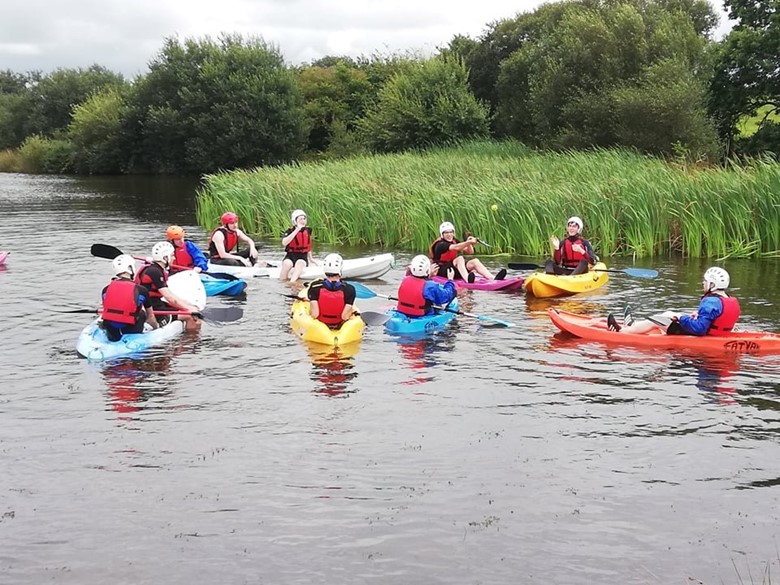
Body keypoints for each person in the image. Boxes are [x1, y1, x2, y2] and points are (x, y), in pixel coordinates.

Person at [608, 267, 740, 336]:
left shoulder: (710, 302)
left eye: (705, 281)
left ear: (712, 284)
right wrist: (695, 315)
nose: (703, 283)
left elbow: (699, 329)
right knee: (670, 313)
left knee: (657, 319)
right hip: (716, 333)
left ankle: (623, 331)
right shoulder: (728, 299)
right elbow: (717, 318)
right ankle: (633, 325)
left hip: (702, 335)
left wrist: (682, 318)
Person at [135, 241, 202, 331]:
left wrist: (188, 305)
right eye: (172, 255)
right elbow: (169, 297)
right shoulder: (155, 272)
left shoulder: (154, 269)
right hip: (154, 309)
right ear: (165, 257)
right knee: (193, 318)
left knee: (190, 311)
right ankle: (190, 343)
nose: (174, 258)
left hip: (156, 305)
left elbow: (171, 296)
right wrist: (189, 309)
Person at [100, 254, 159, 341]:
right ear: (130, 268)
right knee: (142, 313)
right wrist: (157, 328)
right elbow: (150, 316)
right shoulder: (141, 290)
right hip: (131, 329)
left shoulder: (105, 289)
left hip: (112, 330)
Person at [429, 221, 506, 283]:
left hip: (452, 269)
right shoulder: (440, 244)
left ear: (453, 232)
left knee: (475, 261)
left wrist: (469, 243)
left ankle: (493, 278)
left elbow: (470, 252)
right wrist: (468, 242)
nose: (449, 234)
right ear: (442, 234)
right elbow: (456, 247)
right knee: (460, 259)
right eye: (446, 233)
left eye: (451, 232)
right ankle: (467, 279)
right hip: (442, 270)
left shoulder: (454, 240)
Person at [307, 253, 357, 328]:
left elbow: (314, 314)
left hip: (320, 327)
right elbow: (345, 317)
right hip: (338, 325)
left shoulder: (315, 286)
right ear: (340, 268)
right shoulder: (350, 289)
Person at [280, 209, 315, 282]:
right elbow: (284, 243)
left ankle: (292, 282)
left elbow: (308, 246)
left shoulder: (308, 230)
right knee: (286, 264)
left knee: (299, 263)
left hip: (302, 257)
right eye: (300, 219)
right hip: (290, 256)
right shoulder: (289, 231)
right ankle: (282, 282)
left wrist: (311, 259)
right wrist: (297, 230)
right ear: (295, 221)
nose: (303, 220)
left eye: (304, 219)